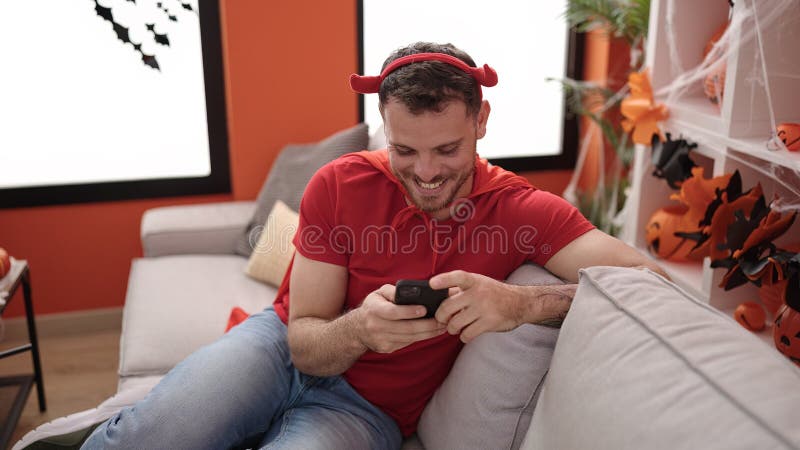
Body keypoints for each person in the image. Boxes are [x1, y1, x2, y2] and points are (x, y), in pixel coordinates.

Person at [50, 42, 664, 450]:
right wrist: (362, 332)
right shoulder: (340, 182)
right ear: (383, 129)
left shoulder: (524, 209)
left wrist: (521, 305)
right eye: (404, 150)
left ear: (481, 121)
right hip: (282, 350)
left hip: (365, 411)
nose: (425, 173)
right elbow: (304, 336)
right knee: (158, 433)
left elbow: (647, 280)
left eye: (447, 150)